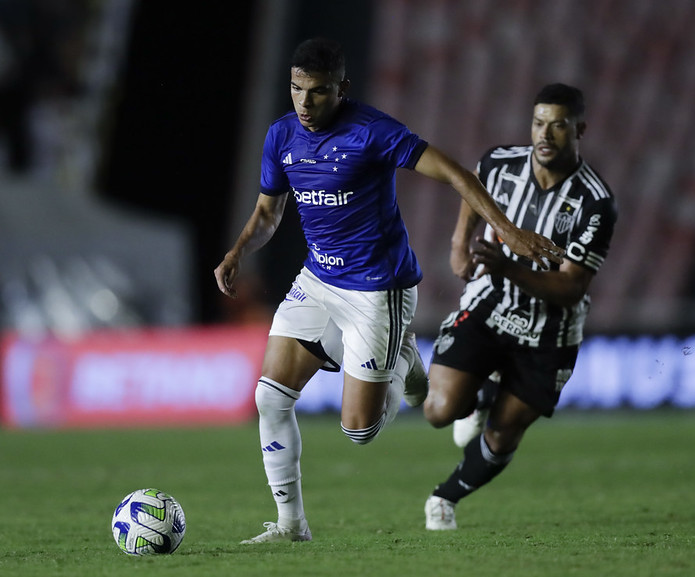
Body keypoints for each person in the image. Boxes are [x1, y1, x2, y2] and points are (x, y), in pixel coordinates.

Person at [213, 38, 565, 543]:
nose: (305, 103)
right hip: (317, 281)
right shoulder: (282, 135)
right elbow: (269, 213)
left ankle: (401, 356)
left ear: (342, 88)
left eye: (318, 91)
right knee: (270, 398)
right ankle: (291, 526)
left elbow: (457, 174)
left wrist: (507, 233)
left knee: (359, 431)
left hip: (378, 291)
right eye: (296, 89)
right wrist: (238, 252)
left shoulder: (373, 132)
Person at [422, 83, 617, 530]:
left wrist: (507, 266)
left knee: (504, 432)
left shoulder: (595, 203)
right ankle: (478, 396)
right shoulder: (499, 163)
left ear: (579, 130)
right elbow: (472, 189)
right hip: (491, 305)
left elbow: (570, 288)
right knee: (438, 411)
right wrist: (458, 244)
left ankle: (444, 498)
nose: (545, 134)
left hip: (550, 330)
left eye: (558, 125)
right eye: (538, 123)